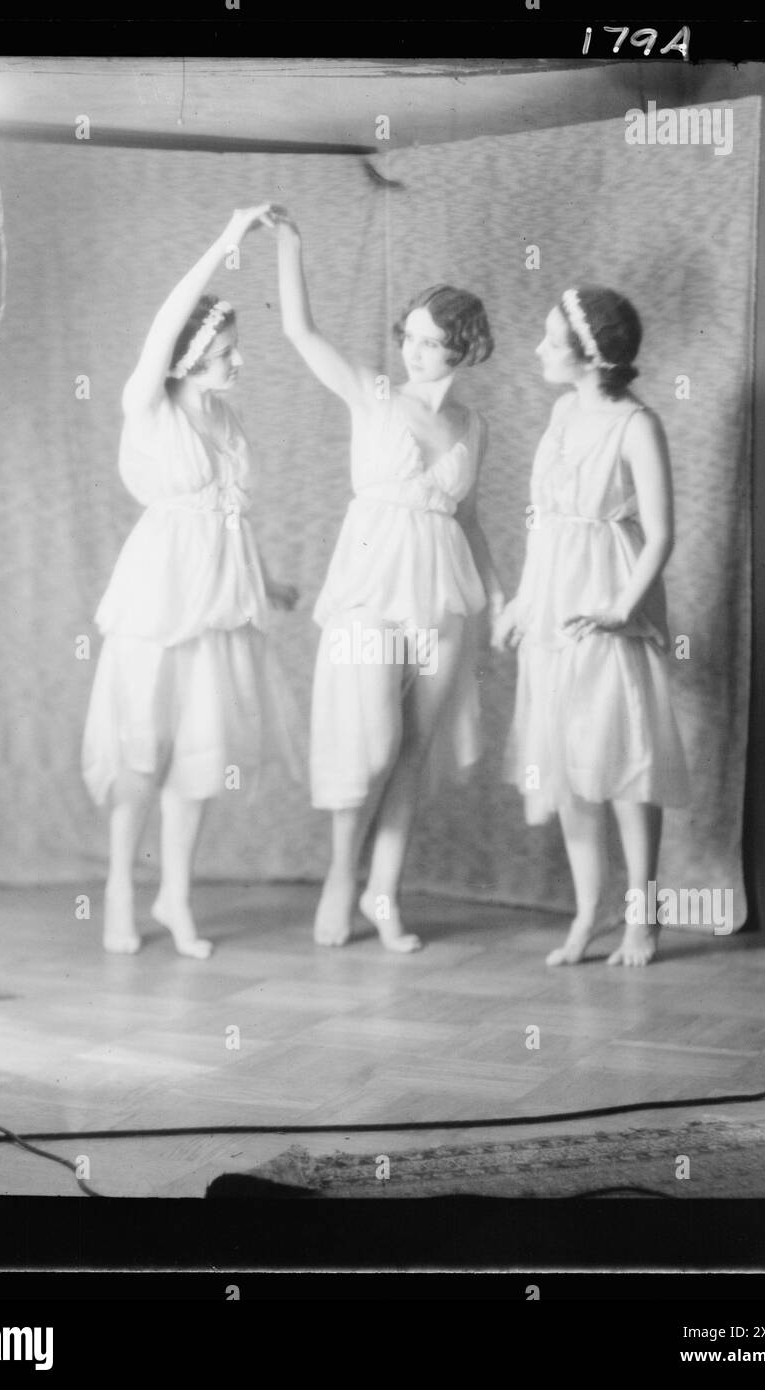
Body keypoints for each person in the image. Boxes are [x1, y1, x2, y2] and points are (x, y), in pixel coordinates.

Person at [268, 207, 504, 952]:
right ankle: (343, 874)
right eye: (409, 335)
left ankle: (382, 894)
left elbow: (466, 518)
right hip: (371, 580)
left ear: (463, 349)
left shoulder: (472, 427)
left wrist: (499, 595)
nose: (414, 350)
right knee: (369, 744)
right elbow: (300, 333)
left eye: (432, 341)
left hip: (444, 588)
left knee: (412, 748)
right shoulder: (373, 394)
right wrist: (290, 243)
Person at [82, 205, 301, 958]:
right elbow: (163, 325)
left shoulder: (229, 422)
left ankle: (175, 894)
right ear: (182, 360)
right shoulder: (147, 409)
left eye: (236, 351)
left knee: (201, 754)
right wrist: (225, 242)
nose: (237, 362)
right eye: (223, 354)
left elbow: (231, 516)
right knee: (144, 749)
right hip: (159, 600)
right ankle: (119, 889)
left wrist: (267, 585)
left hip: (224, 604)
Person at [494, 286, 690, 967]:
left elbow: (661, 533)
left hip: (606, 597)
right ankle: (587, 913)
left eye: (551, 340)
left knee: (623, 761)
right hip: (552, 596)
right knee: (565, 765)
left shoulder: (636, 425)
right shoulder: (558, 410)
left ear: (590, 355)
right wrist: (521, 600)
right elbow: (541, 519)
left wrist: (621, 607)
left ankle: (641, 914)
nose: (539, 350)